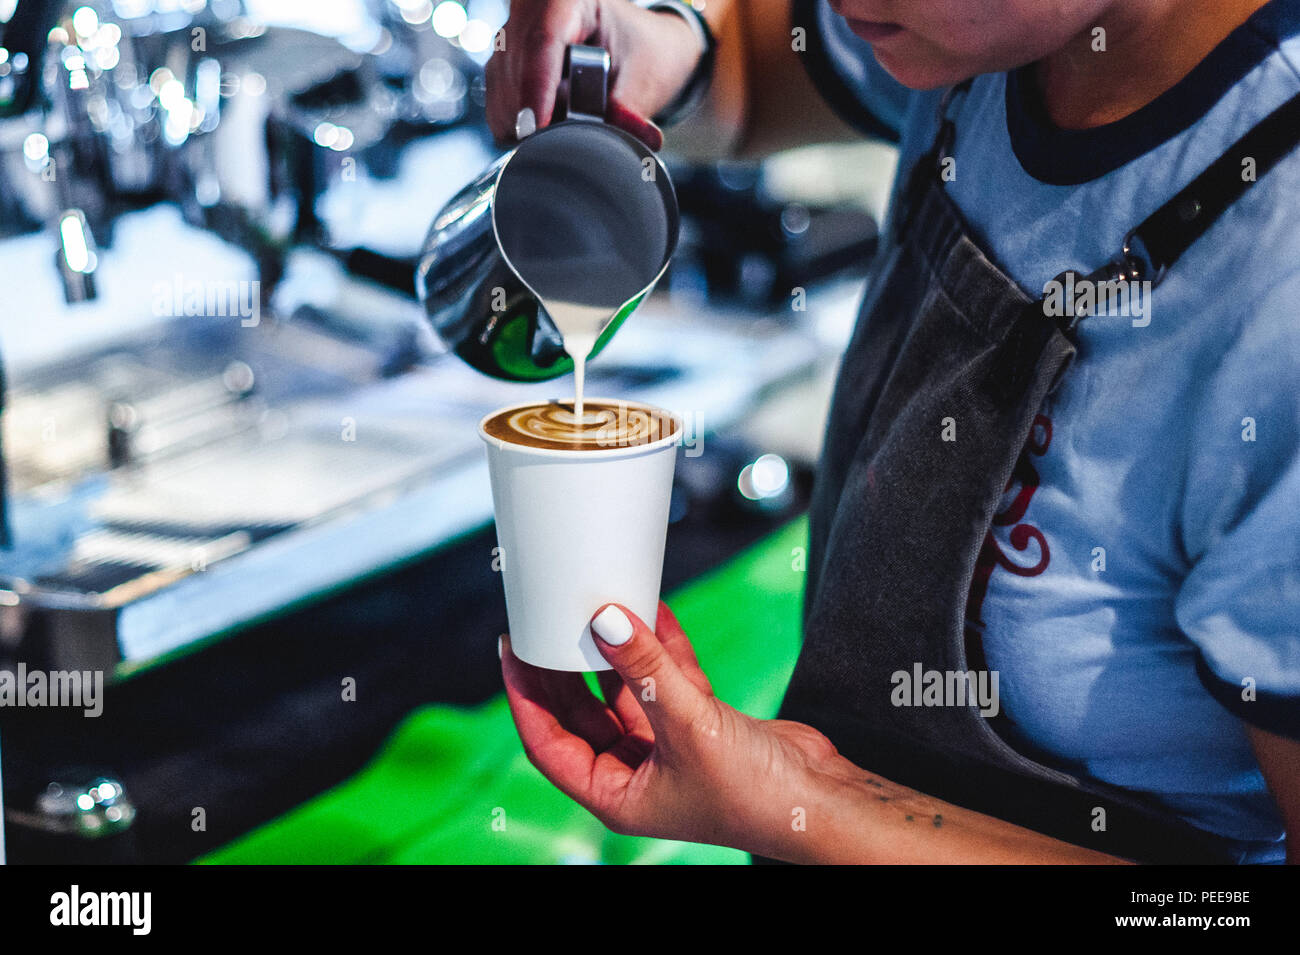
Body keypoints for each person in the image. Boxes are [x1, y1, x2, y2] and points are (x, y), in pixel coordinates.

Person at [489, 0, 1300, 864]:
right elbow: (760, 71)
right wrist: (657, 47)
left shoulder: (1274, 285)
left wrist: (805, 800)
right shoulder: (973, 35)